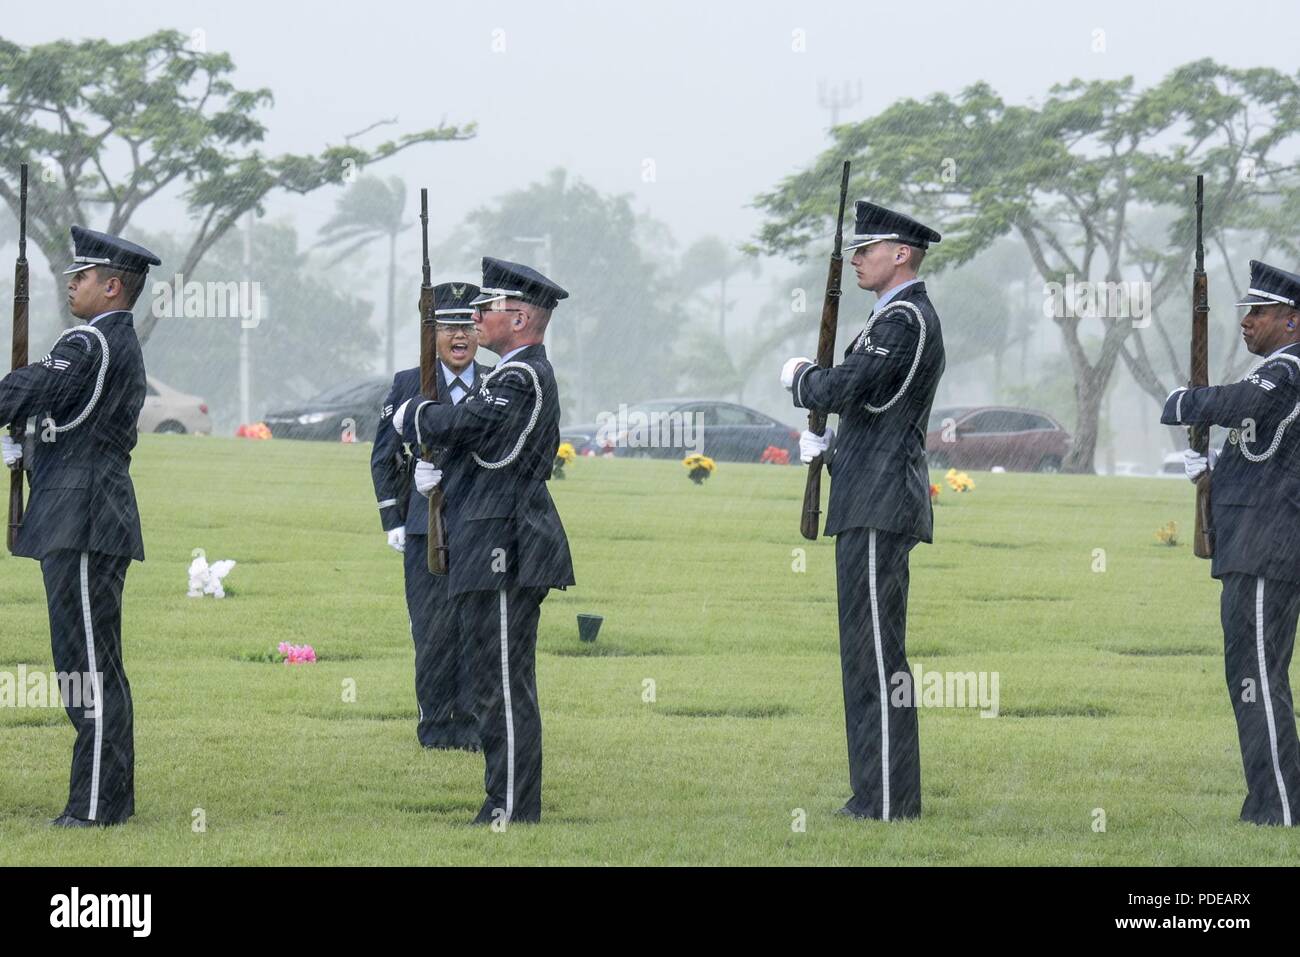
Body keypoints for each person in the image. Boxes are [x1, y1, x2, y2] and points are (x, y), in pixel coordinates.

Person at [392, 256, 574, 826]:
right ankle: (504, 796)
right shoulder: (509, 376)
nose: (474, 317)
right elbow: (477, 441)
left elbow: (466, 426)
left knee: (501, 684)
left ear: (518, 319)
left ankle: (513, 805)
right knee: (493, 681)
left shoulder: (520, 377)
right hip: (488, 536)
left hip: (506, 541)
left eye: (486, 307)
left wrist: (417, 416)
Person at [780, 201, 945, 821]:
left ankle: (888, 797)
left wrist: (802, 378)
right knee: (865, 653)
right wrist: (834, 444)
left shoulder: (903, 318)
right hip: (867, 493)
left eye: (867, 248)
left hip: (879, 502)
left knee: (875, 655)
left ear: (900, 253)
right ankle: (878, 791)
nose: (856, 259)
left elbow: (850, 385)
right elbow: (871, 404)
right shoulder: (896, 316)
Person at [0, 225, 158, 827]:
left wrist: (17, 410)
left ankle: (97, 807)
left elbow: (37, 385)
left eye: (83, 277)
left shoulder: (90, 342)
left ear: (112, 286)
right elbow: (73, 422)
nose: (72, 284)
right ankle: (105, 798)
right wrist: (32, 444)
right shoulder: (110, 343)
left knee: (88, 667)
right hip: (82, 515)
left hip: (85, 520)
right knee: (88, 664)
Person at [1163, 259, 1300, 826]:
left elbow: (1239, 403)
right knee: (1250, 675)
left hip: (1269, 544)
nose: (1247, 322)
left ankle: (1281, 807)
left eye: (1259, 313)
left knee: (1259, 677)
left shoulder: (1287, 369)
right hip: (1252, 542)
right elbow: (1261, 448)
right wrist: (1210, 468)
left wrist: (1183, 401)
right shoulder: (1279, 371)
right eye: (1244, 312)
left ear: (1292, 320)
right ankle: (1271, 799)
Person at [370, 281, 490, 750]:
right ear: (430, 332)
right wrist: (394, 519)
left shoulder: (494, 383)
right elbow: (383, 455)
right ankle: (437, 725)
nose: (459, 336)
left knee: (474, 630)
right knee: (433, 630)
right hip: (425, 527)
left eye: (467, 325)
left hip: (479, 527)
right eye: (447, 325)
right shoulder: (407, 383)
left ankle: (473, 724)